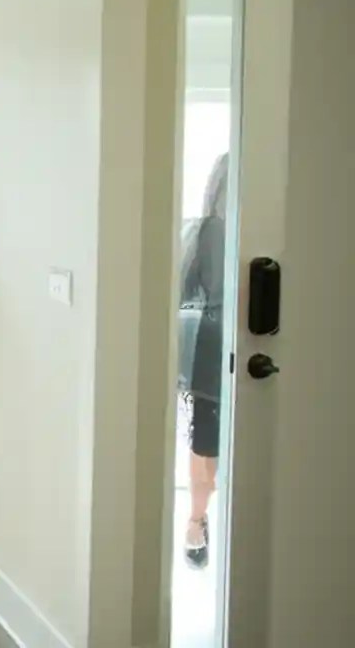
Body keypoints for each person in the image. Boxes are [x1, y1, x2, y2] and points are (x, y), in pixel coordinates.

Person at [178, 153, 228, 569]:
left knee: (207, 440)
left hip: (214, 348)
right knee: (207, 440)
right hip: (214, 349)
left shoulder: (202, 232)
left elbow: (183, 290)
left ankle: (198, 522)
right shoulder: (203, 232)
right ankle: (197, 521)